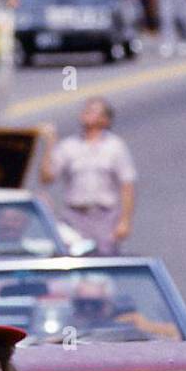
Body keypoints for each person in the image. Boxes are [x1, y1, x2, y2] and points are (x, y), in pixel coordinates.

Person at [40, 97, 137, 254]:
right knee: (73, 259)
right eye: (86, 110)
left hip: (104, 216)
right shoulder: (69, 146)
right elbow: (47, 178)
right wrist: (50, 144)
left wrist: (125, 221)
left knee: (104, 260)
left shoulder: (115, 147)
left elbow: (127, 185)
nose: (86, 113)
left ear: (104, 120)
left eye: (92, 111)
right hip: (75, 216)